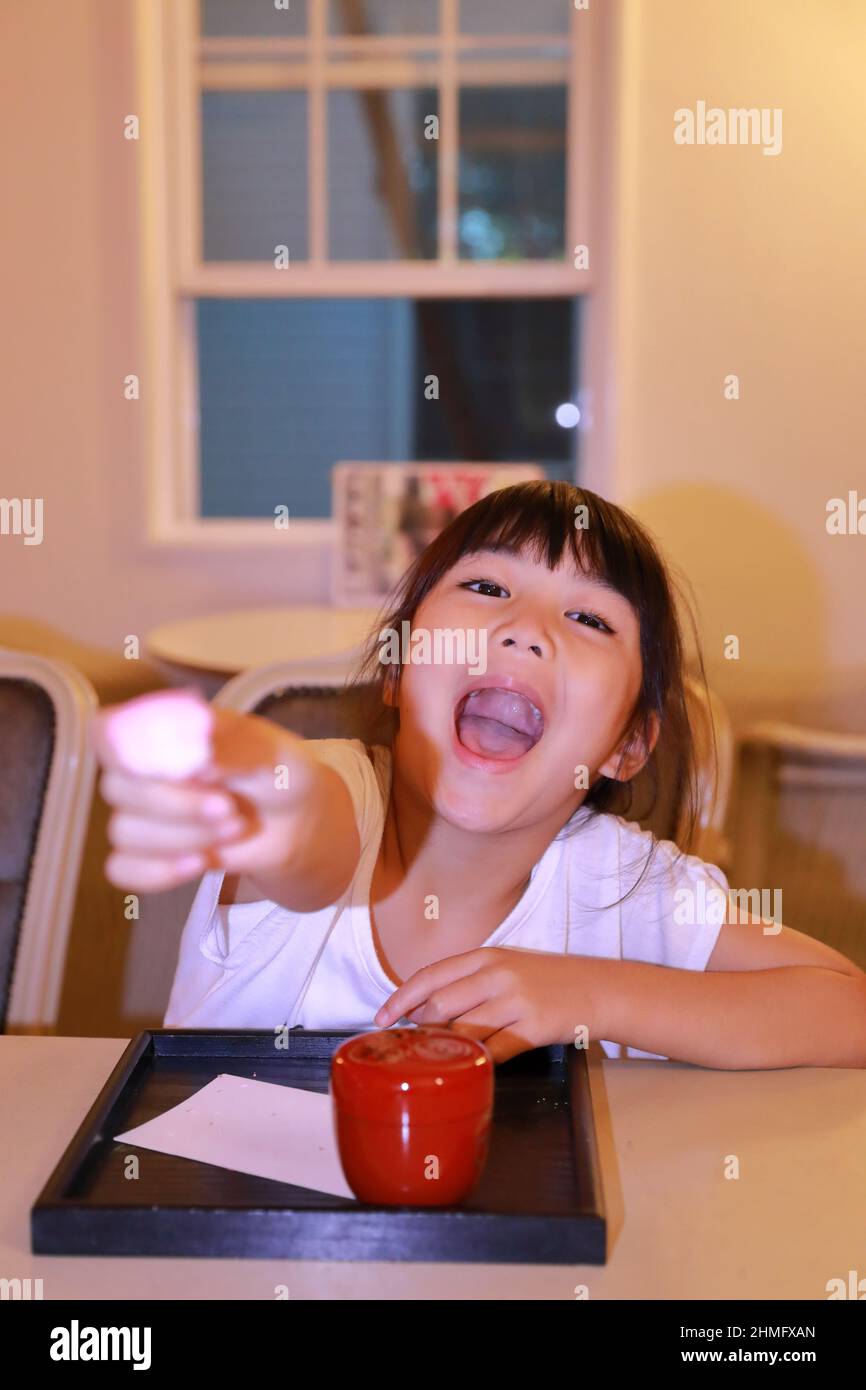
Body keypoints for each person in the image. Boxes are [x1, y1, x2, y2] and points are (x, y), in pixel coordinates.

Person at [91, 482, 866, 1067]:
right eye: (488, 587)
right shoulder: (340, 796)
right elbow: (307, 830)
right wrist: (259, 792)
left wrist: (591, 993)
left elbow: (849, 1011)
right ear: (396, 669)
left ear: (628, 746)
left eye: (590, 618)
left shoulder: (624, 886)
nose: (525, 630)